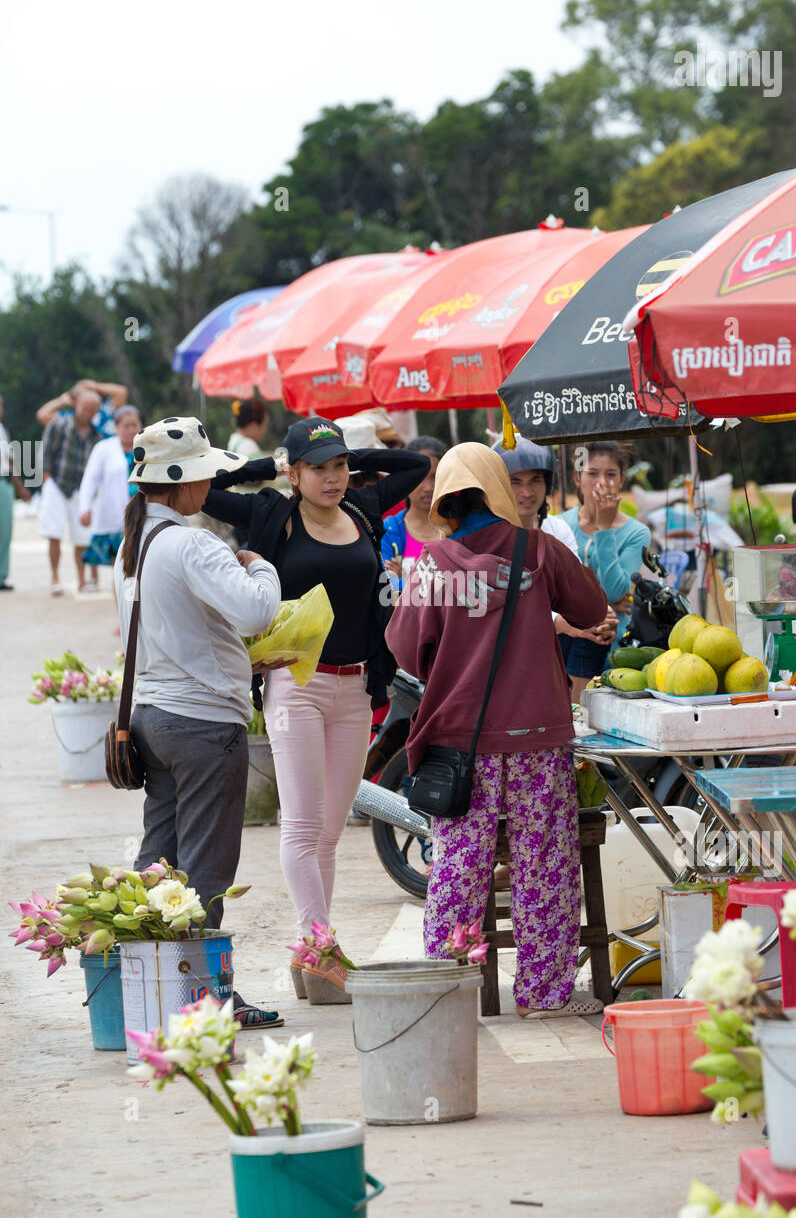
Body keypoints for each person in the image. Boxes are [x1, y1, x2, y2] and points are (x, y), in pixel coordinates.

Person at [200, 416, 431, 999]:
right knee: (302, 826)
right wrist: (269, 469)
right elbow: (204, 489)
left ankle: (311, 959)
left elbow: (415, 465)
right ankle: (321, 946)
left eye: (338, 467)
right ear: (296, 471)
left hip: (356, 689)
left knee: (329, 833)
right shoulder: (271, 513)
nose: (333, 478)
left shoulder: (361, 508)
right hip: (296, 686)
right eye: (318, 468)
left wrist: (348, 452)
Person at [386, 442, 608, 1018]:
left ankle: (449, 988)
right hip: (536, 734)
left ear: (445, 502)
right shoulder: (539, 550)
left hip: (458, 740)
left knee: (460, 866)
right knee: (545, 864)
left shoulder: (430, 563)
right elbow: (590, 610)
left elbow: (405, 650)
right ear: (500, 491)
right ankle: (543, 994)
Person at [116, 415, 284, 1029]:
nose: (211, 484)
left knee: (158, 861)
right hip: (203, 725)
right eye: (206, 475)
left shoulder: (131, 546)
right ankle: (205, 998)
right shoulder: (192, 543)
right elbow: (254, 611)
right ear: (182, 483)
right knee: (206, 869)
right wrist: (257, 564)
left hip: (151, 720)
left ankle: (145, 986)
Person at [493, 435, 619, 695]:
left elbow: (574, 592)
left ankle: (578, 710)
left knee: (598, 619)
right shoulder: (489, 534)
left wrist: (591, 618)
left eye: (535, 481)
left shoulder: (556, 528)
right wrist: (560, 622)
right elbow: (502, 607)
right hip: (505, 642)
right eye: (516, 482)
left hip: (555, 634)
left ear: (547, 484)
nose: (527, 492)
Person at [559, 441, 651, 694]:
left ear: (622, 480)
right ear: (577, 478)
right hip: (566, 642)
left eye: (611, 474)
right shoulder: (559, 526)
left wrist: (603, 529)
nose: (601, 482)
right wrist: (607, 602)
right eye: (592, 473)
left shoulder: (636, 533)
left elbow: (614, 591)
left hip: (616, 649)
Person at [39, 386, 102, 595]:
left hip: (80, 490)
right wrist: (47, 481)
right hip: (57, 484)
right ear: (77, 405)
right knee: (54, 533)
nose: (88, 414)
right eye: (85, 409)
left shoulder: (97, 436)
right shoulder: (59, 425)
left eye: (93, 411)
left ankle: (81, 580)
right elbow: (46, 455)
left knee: (82, 537)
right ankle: (55, 578)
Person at [78, 406, 143, 573]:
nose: (131, 430)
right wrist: (84, 507)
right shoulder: (103, 448)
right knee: (120, 566)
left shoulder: (147, 448)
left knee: (140, 564)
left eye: (134, 425)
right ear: (116, 428)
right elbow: (90, 480)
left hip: (142, 514)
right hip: (113, 516)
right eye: (126, 426)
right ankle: (120, 599)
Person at [382, 435, 446, 592]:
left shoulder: (459, 525)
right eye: (420, 477)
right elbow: (385, 586)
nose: (428, 487)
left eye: (435, 477)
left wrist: (405, 581)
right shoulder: (389, 530)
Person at [0, 394, 32, 592]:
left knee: (4, 531)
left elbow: (8, 462)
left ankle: (1, 575)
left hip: (3, 483)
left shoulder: (2, 430)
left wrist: (20, 488)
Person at [37, 378, 128, 439]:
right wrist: (61, 401)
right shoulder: (69, 419)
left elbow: (121, 392)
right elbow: (42, 415)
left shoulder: (106, 410)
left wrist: (96, 386)